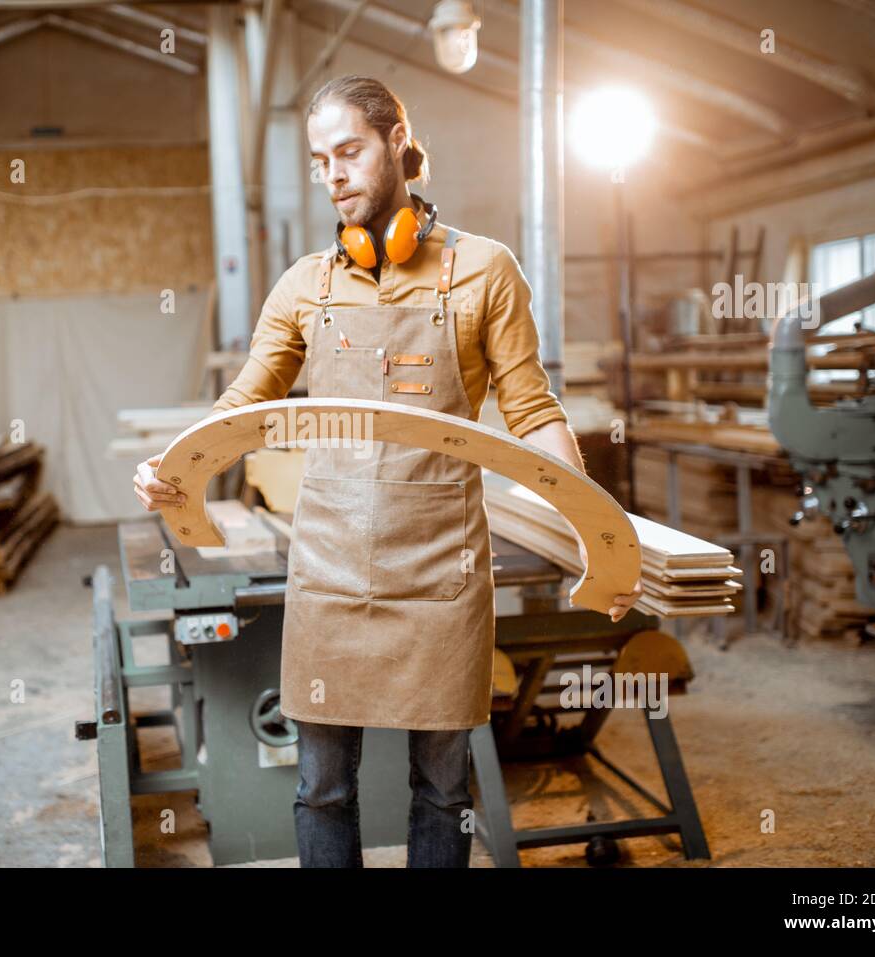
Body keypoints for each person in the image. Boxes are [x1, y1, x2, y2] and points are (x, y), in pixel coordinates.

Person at [134, 75, 642, 868]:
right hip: (330, 569)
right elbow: (245, 400)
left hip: (442, 573)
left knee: (442, 790)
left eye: (349, 151)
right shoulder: (308, 283)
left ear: (398, 141)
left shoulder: (485, 270)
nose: (332, 175)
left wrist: (598, 538)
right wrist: (177, 466)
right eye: (318, 160)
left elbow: (533, 411)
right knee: (322, 789)